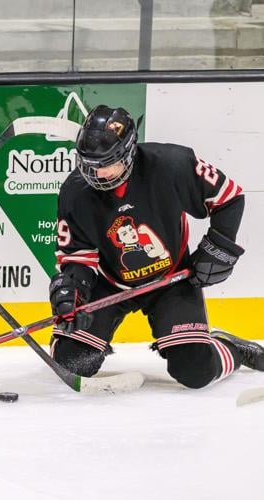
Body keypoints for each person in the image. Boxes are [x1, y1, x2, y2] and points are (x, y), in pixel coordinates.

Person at [50, 104, 263, 389]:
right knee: (71, 362)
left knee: (195, 370)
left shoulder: (171, 164)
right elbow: (77, 255)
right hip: (111, 282)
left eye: (105, 164)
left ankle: (230, 347)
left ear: (128, 154)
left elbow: (229, 198)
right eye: (89, 164)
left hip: (171, 280)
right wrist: (71, 289)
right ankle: (66, 340)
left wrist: (217, 248)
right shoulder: (75, 191)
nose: (96, 174)